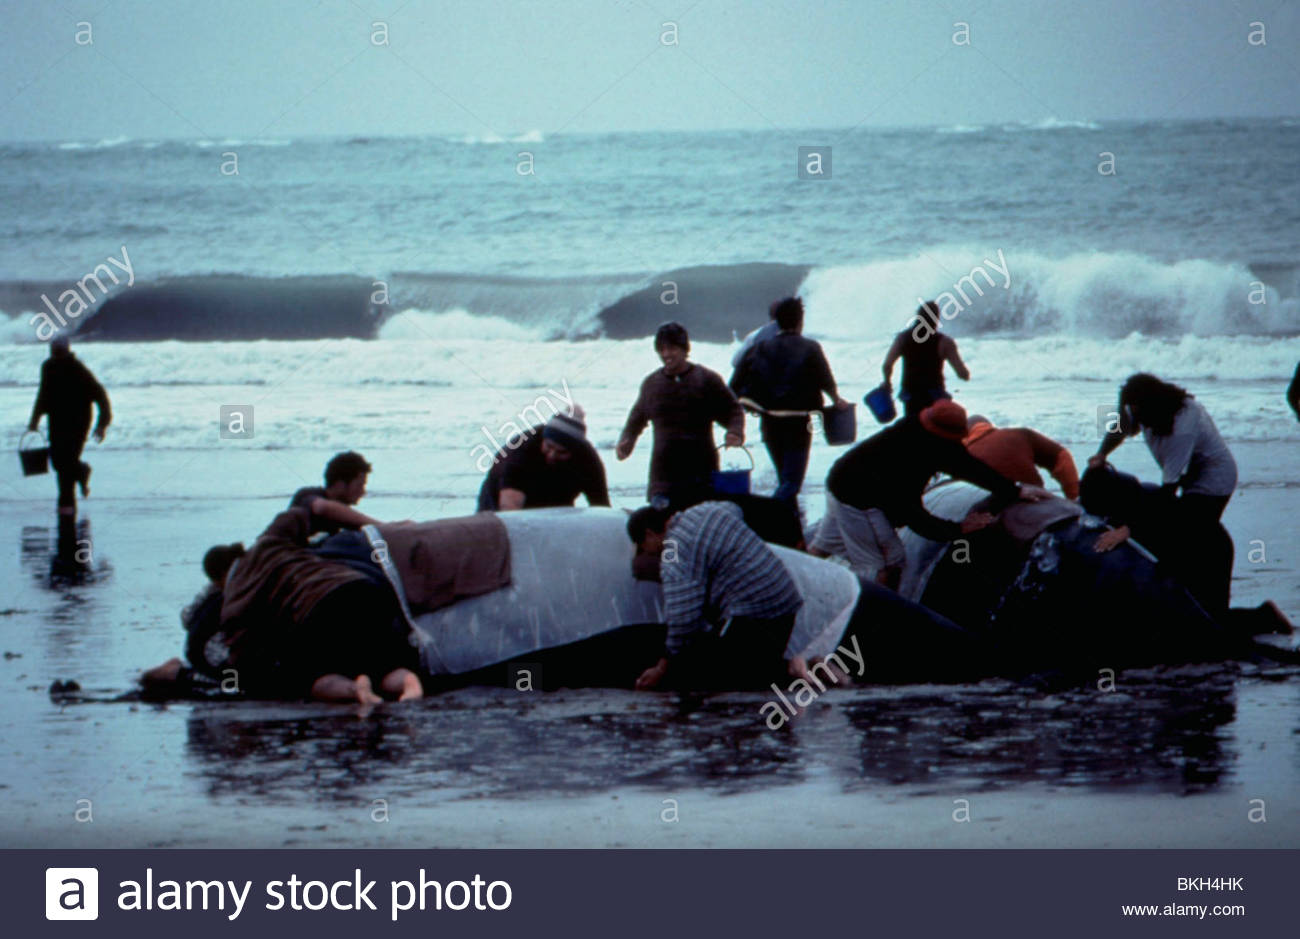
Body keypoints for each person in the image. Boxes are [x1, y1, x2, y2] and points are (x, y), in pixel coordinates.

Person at [810, 400, 1049, 590]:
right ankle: (872, 621)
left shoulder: (924, 429)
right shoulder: (908, 458)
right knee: (888, 564)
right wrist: (957, 530)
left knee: (823, 547)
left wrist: (1013, 489)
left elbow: (969, 467)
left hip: (839, 476)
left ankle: (797, 579)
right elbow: (911, 513)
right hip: (857, 498)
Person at [1086, 373, 1238, 616]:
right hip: (1187, 478)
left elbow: (1168, 493)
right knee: (1169, 532)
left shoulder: (1182, 427)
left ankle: (1204, 607)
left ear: (1151, 406)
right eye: (1130, 409)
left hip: (1212, 483)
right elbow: (1122, 426)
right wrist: (1101, 455)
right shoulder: (1142, 407)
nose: (1134, 416)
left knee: (1186, 537)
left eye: (1137, 411)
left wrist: (1128, 530)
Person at [626, 501, 806, 690]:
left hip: (754, 613)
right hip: (784, 600)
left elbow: (684, 619)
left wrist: (663, 666)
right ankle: (790, 667)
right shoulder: (701, 511)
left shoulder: (673, 551)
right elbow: (735, 508)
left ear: (649, 535)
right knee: (750, 660)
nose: (648, 553)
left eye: (643, 547)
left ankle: (796, 670)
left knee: (711, 678)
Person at [729, 296, 850, 501]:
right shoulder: (811, 347)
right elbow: (825, 379)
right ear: (800, 321)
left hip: (769, 422)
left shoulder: (760, 347)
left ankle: (790, 529)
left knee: (784, 478)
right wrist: (837, 399)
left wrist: (747, 403)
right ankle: (770, 515)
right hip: (798, 424)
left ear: (777, 321)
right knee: (791, 482)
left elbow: (734, 384)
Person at [616, 322, 745, 506]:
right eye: (661, 349)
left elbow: (733, 409)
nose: (666, 354)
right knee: (663, 529)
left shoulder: (706, 379)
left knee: (699, 525)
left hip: (701, 473)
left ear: (685, 349)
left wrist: (735, 432)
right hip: (662, 478)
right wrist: (626, 441)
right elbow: (636, 419)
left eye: (672, 348)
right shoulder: (651, 384)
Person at [26, 336, 111, 515]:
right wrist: (34, 420)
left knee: (66, 463)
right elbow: (43, 394)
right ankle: (81, 471)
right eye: (53, 351)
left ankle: (66, 506)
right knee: (58, 462)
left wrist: (102, 424)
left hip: (78, 424)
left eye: (58, 351)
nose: (55, 354)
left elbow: (100, 396)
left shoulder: (78, 369)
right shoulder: (48, 367)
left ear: (66, 350)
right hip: (57, 422)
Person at [477, 406, 609, 511]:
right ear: (543, 440)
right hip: (502, 494)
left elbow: (601, 506)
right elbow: (510, 510)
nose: (552, 455)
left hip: (556, 497)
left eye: (561, 452)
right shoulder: (522, 452)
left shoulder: (588, 460)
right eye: (549, 447)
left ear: (575, 452)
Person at [880, 301, 969, 417]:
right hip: (935, 398)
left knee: (913, 430)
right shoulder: (944, 342)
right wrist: (965, 374)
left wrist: (887, 383)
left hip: (911, 397)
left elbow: (887, 365)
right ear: (936, 318)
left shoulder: (903, 338)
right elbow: (962, 373)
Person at [964, 415, 1080, 501]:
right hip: (1036, 497)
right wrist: (1074, 496)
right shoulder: (1019, 434)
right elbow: (1062, 458)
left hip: (991, 509)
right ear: (990, 426)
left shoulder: (961, 455)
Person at [289, 450, 379, 536]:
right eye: (359, 485)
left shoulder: (342, 516)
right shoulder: (306, 495)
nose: (362, 492)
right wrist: (380, 525)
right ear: (340, 484)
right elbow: (322, 507)